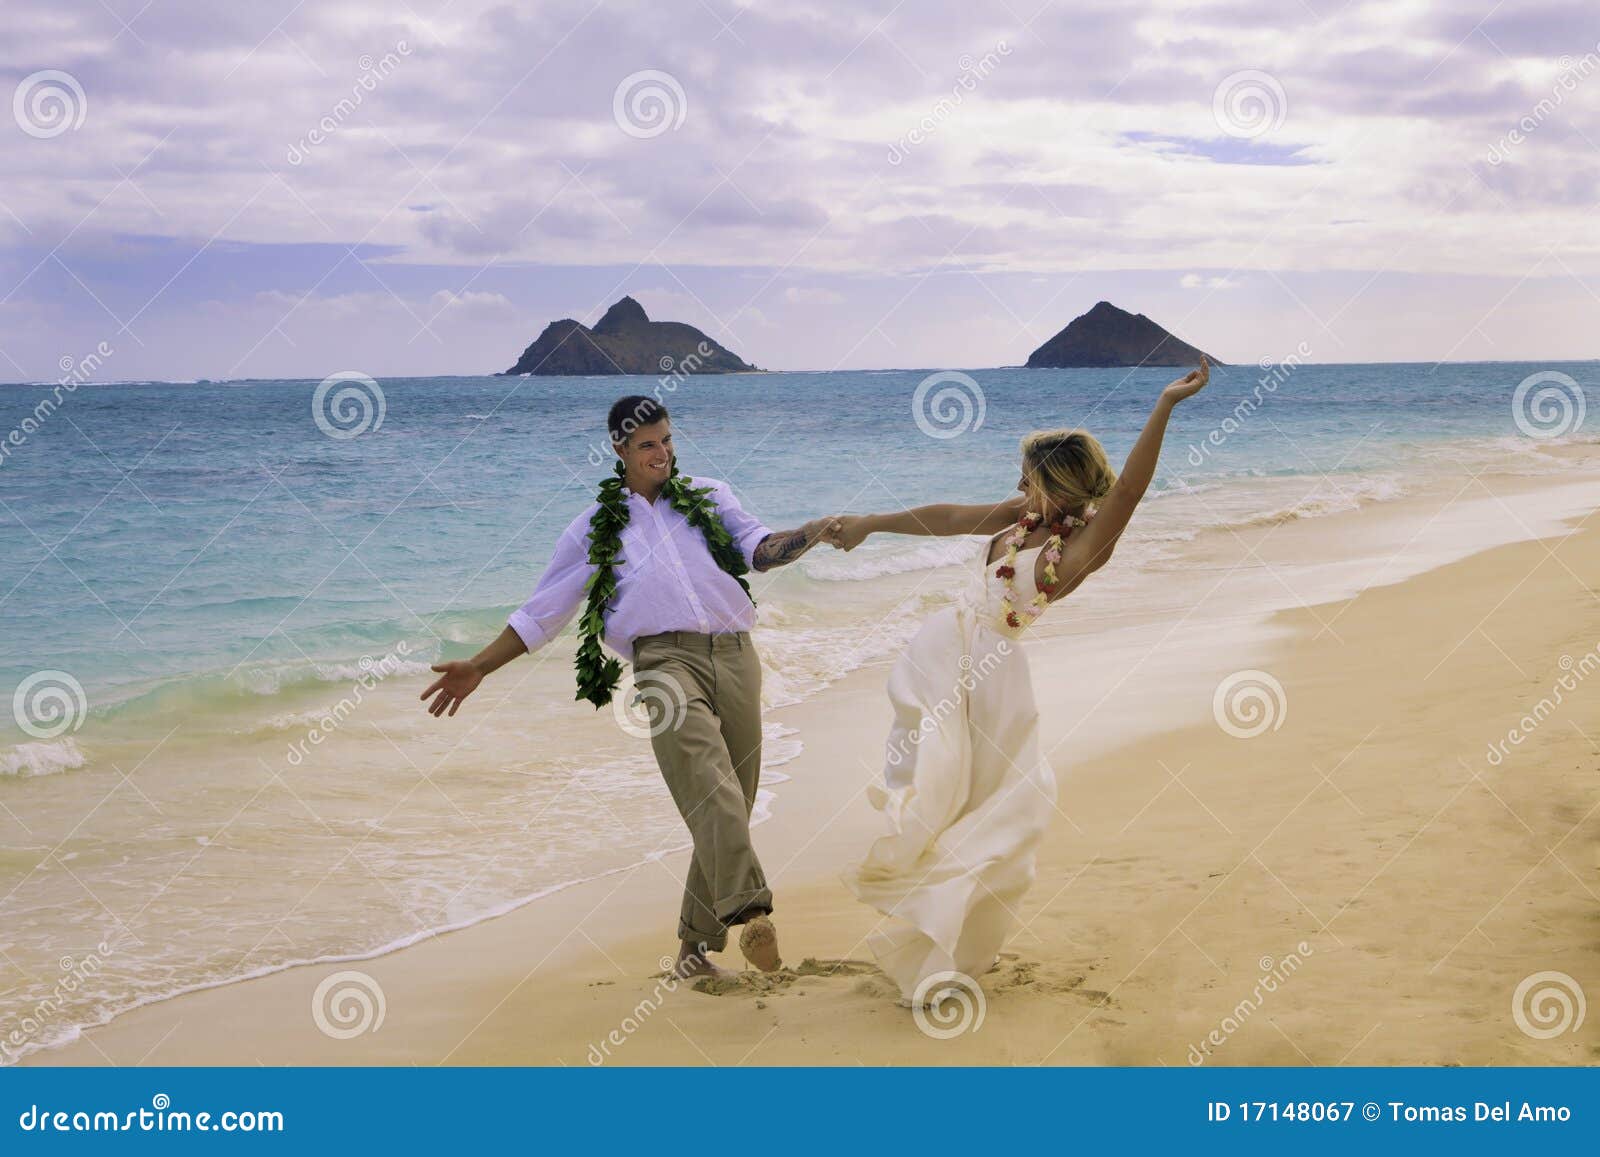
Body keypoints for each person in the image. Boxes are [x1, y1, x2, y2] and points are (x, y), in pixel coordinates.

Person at [826, 357, 1210, 1004]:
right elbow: (950, 517)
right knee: (940, 791)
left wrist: (1165, 405)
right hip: (946, 655)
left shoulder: (1083, 548)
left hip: (993, 678)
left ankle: (954, 938)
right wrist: (871, 523)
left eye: (1028, 477)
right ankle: (939, 918)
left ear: (1056, 485)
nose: (1017, 485)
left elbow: (1128, 492)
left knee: (997, 811)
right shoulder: (1023, 517)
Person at [421, 395, 839, 979]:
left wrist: (811, 533)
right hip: (662, 661)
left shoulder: (710, 496)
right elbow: (544, 611)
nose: (662, 453)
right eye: (647, 445)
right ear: (619, 449)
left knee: (734, 799)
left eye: (667, 440)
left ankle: (693, 952)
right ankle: (753, 915)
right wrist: (481, 666)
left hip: (737, 654)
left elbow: (760, 550)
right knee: (709, 783)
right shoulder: (596, 527)